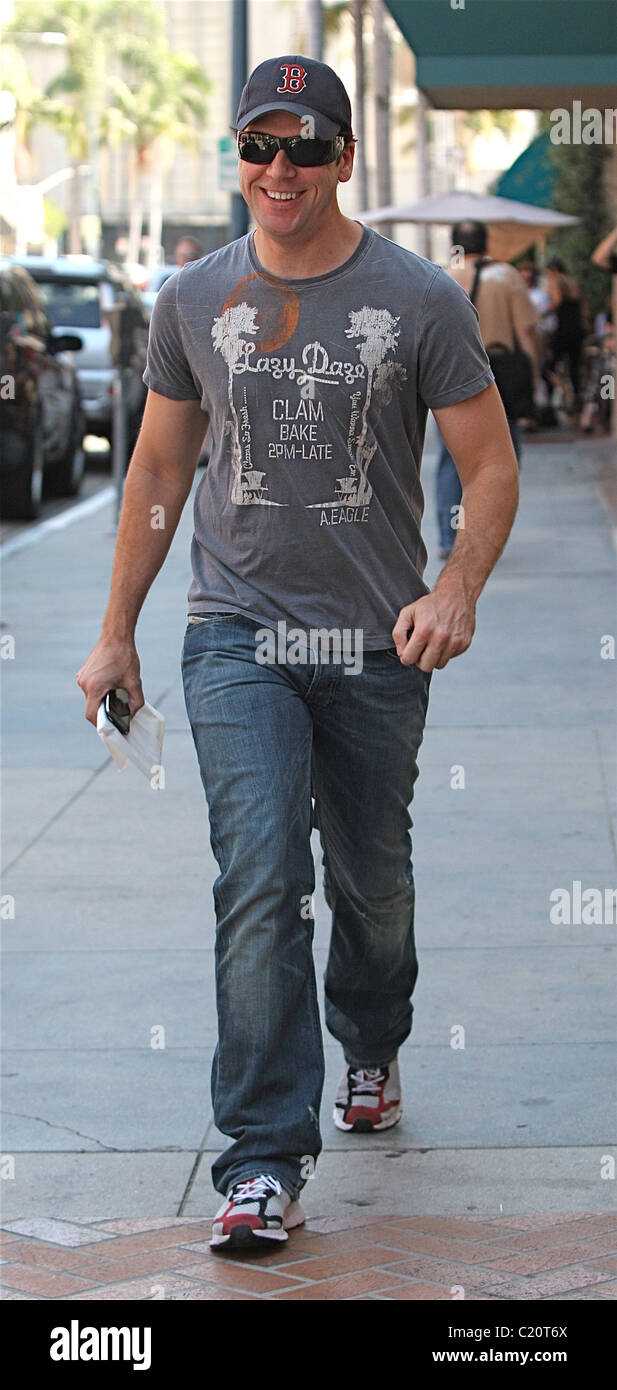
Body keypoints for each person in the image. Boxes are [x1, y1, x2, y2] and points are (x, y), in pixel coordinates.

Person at [76, 55, 519, 1252]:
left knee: (371, 881)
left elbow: (486, 467)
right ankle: (263, 1155)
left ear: (341, 158)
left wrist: (454, 587)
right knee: (261, 873)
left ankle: (370, 1040)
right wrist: (117, 628)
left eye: (303, 147)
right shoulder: (191, 297)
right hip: (235, 633)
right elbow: (161, 469)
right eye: (257, 147)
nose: (278, 170)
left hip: (379, 640)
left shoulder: (417, 298)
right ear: (239, 157)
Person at [435, 220, 539, 559]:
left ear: (455, 244)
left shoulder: (441, 277)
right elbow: (525, 332)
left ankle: (450, 538)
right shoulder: (507, 276)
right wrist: (533, 374)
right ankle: (485, 534)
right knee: (501, 457)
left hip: (449, 379)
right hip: (501, 376)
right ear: (487, 242)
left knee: (451, 460)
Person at [544, 257, 587, 412]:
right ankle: (576, 398)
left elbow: (556, 300)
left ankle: (563, 391)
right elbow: (583, 307)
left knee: (549, 367)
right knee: (575, 368)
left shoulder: (556, 281)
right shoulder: (573, 282)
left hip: (563, 330)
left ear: (553, 270)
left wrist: (542, 312)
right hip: (577, 329)